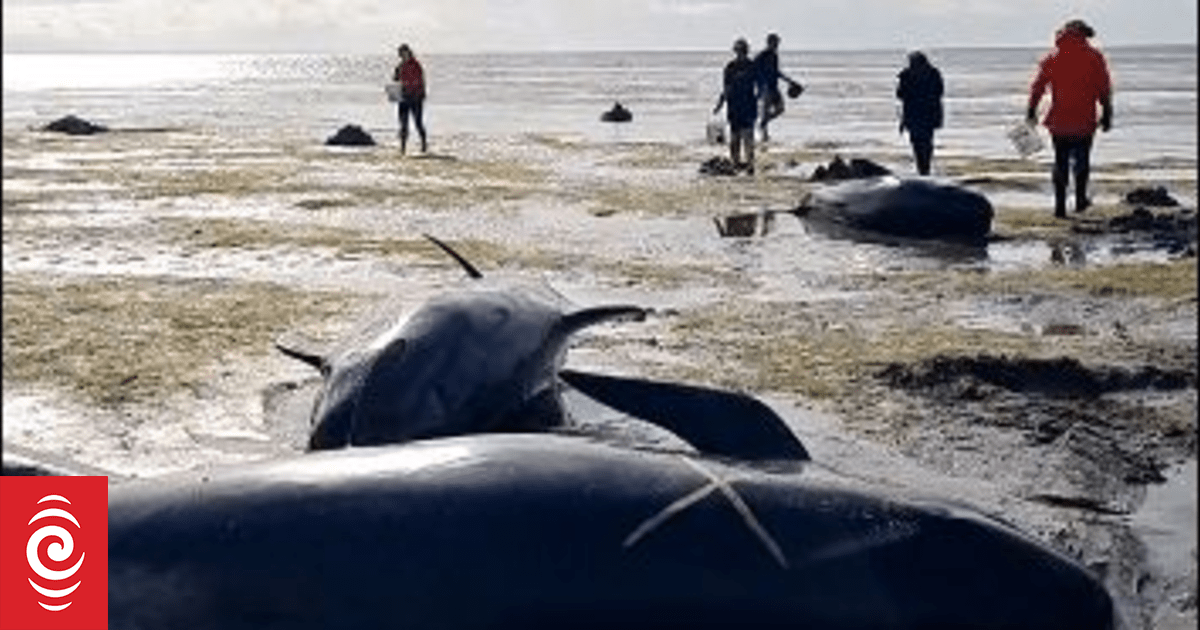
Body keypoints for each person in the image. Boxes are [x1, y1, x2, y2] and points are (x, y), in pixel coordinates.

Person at [1027, 19, 1113, 218]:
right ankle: (1080, 201)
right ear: (1084, 34)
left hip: (1059, 120)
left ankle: (1059, 208)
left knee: (1060, 161)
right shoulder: (1094, 57)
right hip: (1084, 119)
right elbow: (1103, 88)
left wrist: (1031, 110)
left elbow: (1038, 86)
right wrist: (1107, 113)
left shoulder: (1053, 57)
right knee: (1082, 161)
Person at [713, 38, 761, 174]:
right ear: (735, 51)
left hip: (749, 107)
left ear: (746, 51)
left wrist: (759, 99)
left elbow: (760, 86)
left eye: (743, 50)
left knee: (748, 138)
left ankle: (751, 166)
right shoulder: (730, 67)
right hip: (734, 107)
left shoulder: (752, 66)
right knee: (734, 139)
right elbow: (726, 88)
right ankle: (735, 165)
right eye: (738, 50)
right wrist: (720, 104)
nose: (741, 52)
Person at [895, 51, 944, 176]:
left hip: (924, 115)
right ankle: (923, 170)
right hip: (915, 115)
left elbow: (938, 92)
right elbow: (900, 95)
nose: (911, 64)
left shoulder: (931, 74)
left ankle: (924, 170)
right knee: (919, 144)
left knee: (924, 144)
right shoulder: (910, 75)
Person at [753, 33, 799, 142]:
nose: (777, 45)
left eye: (778, 43)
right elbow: (753, 71)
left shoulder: (774, 56)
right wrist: (759, 86)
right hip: (765, 89)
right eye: (775, 43)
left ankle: (763, 123)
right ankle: (764, 137)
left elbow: (776, 72)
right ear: (769, 42)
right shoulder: (761, 56)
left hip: (774, 87)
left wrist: (790, 81)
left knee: (780, 109)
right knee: (765, 110)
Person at [392, 44, 428, 154]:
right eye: (401, 53)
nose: (403, 55)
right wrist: (396, 74)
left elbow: (422, 81)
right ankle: (402, 148)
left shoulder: (416, 64)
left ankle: (423, 144)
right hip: (403, 97)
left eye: (405, 52)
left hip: (416, 98)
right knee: (403, 124)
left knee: (418, 123)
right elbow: (395, 79)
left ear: (409, 52)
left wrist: (422, 94)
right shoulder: (400, 66)